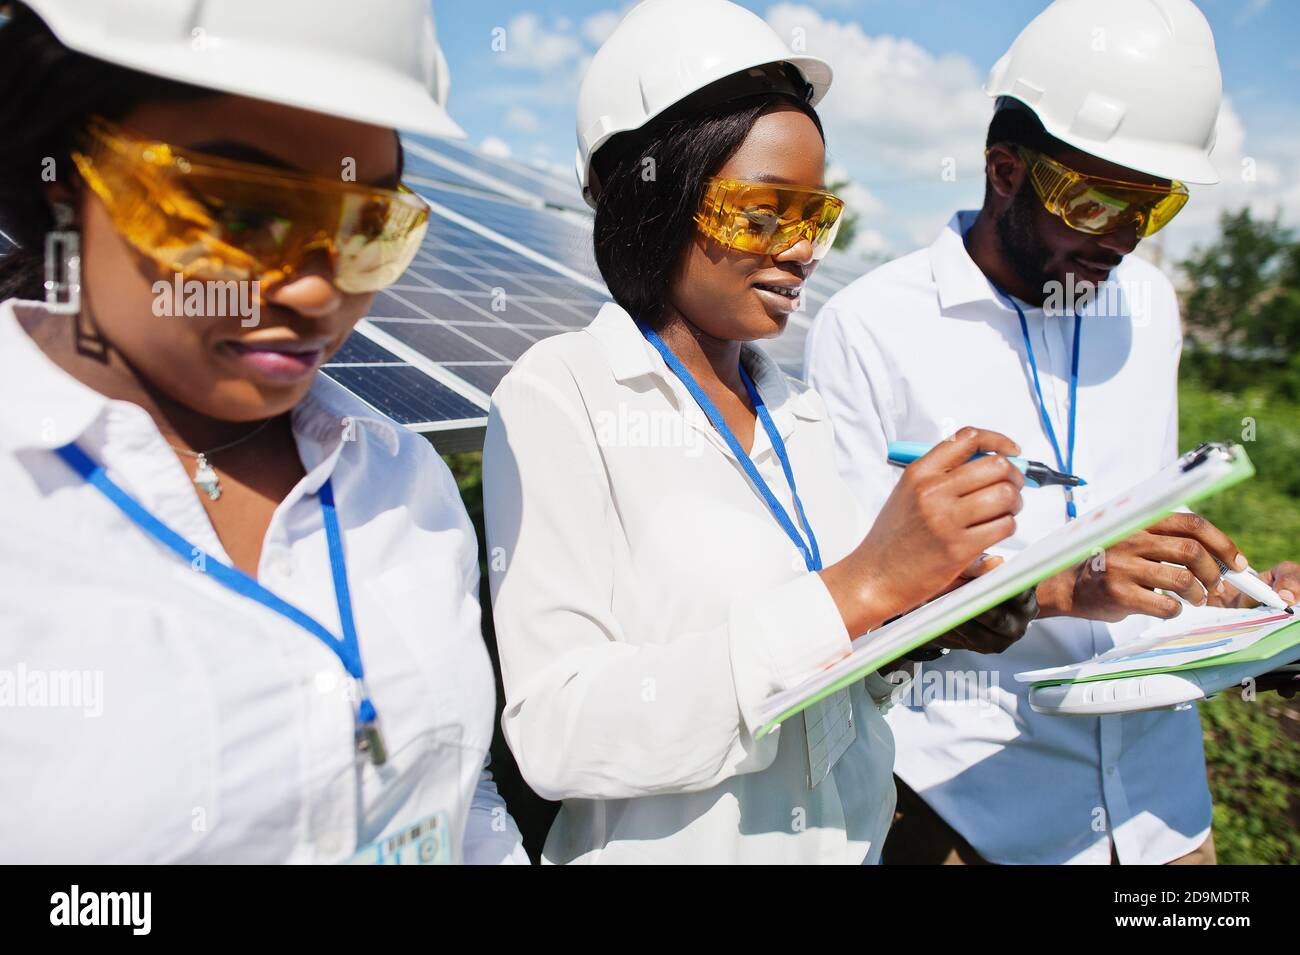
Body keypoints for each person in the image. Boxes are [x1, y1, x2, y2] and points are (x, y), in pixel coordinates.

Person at [482, 0, 1036, 865]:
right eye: (761, 213)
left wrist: (921, 616)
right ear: (650, 199)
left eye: (814, 216)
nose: (801, 249)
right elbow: (557, 732)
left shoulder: (795, 409)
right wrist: (859, 587)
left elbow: (829, 678)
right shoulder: (562, 396)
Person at [0, 0, 525, 864]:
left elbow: (462, 802)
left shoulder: (404, 484)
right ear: (68, 174)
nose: (318, 292)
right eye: (240, 213)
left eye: (364, 226)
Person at [804, 0, 1300, 865]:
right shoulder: (869, 328)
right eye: (1096, 199)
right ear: (1004, 170)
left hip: (1165, 815)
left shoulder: (1149, 307)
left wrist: (1237, 594)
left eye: (1153, 207)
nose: (1122, 237)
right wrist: (1059, 588)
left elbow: (1155, 524)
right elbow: (856, 616)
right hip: (977, 812)